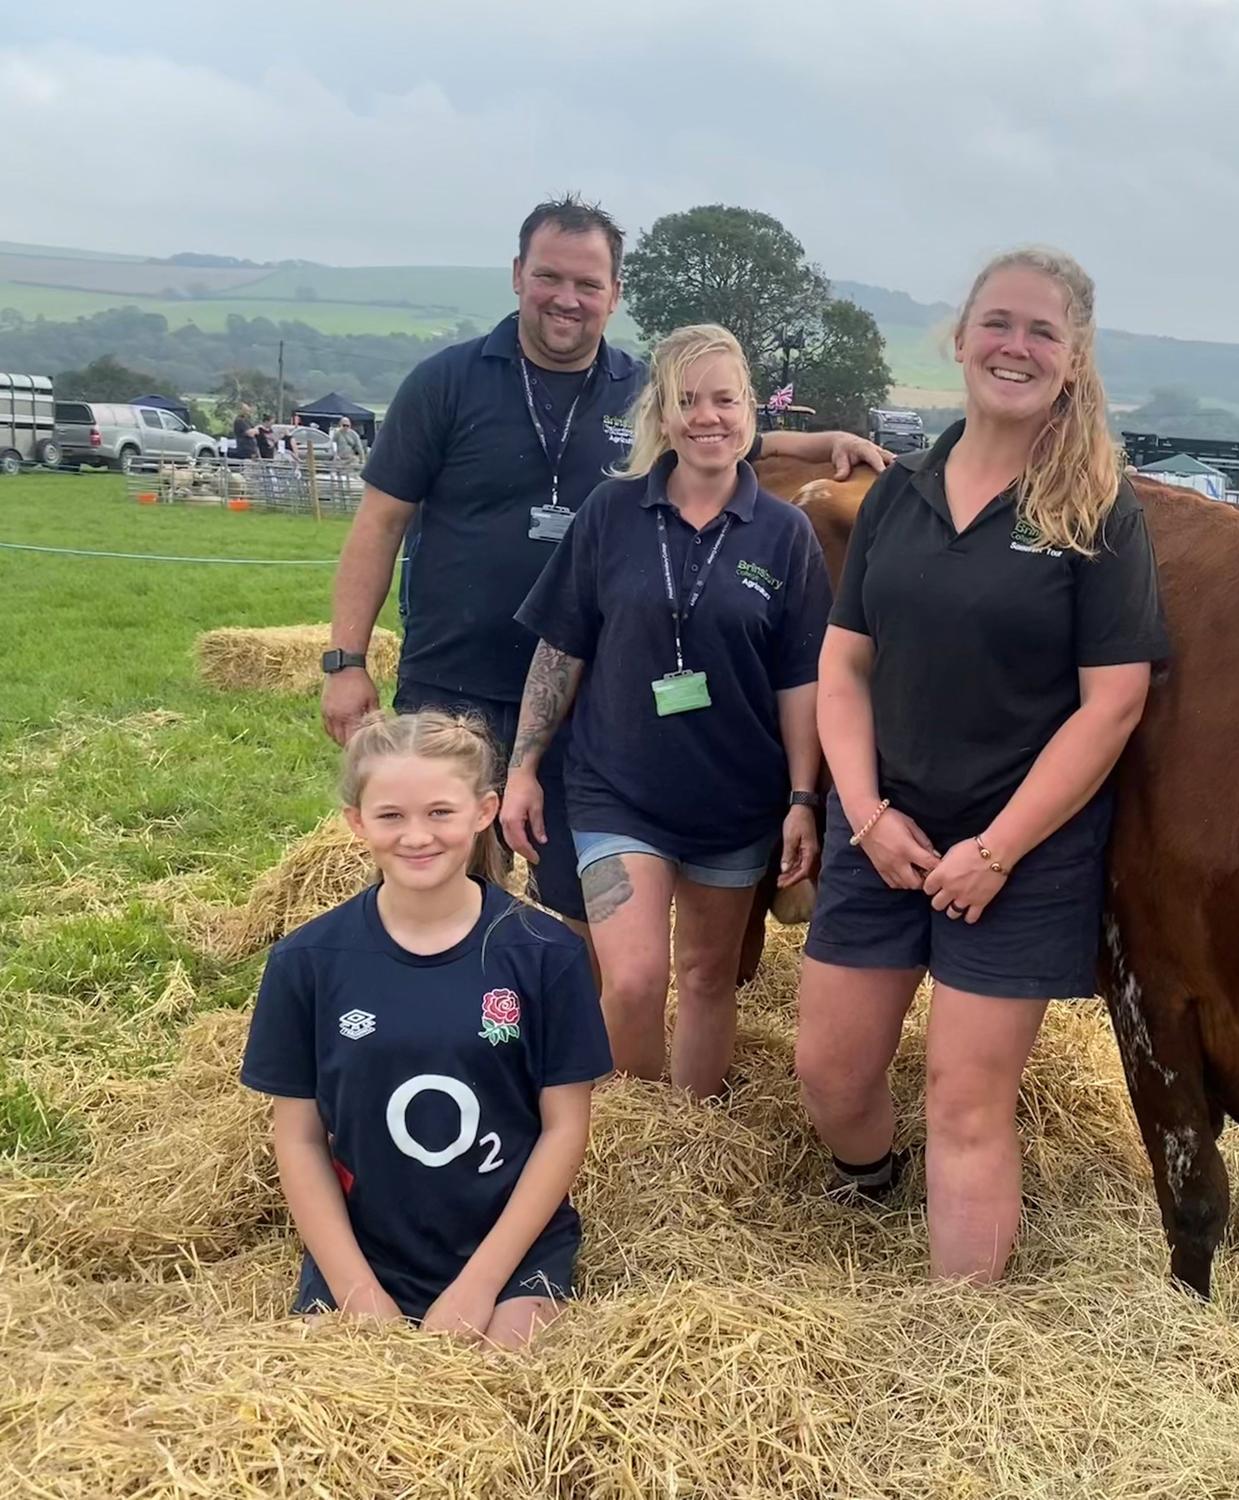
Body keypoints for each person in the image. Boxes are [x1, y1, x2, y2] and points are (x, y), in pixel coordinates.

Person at [321, 195, 885, 929]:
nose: (568, 299)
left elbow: (718, 437)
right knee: (436, 879)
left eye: (589, 285)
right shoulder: (444, 385)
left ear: (615, 296)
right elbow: (378, 523)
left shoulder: (638, 393)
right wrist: (345, 660)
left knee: (576, 908)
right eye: (551, 277)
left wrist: (820, 442)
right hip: (454, 678)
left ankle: (562, 1034)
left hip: (586, 697)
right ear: (518, 274)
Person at [792, 247, 1168, 1283]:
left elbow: (1114, 703)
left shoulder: (1098, 511)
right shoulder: (899, 497)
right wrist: (863, 815)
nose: (1015, 346)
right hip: (885, 830)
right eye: (997, 323)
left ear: (1075, 358)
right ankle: (871, 1182)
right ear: (958, 340)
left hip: (1021, 855)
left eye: (1042, 332)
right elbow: (842, 668)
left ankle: (966, 1353)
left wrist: (995, 852)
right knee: (827, 1076)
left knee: (964, 1102)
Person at [506, 325, 831, 1095]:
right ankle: (642, 1134)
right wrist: (522, 767)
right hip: (618, 788)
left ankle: (691, 1126)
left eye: (724, 398)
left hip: (737, 799)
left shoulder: (786, 536)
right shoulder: (611, 512)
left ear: (751, 409)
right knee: (634, 980)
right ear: (662, 413)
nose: (707, 417)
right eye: (688, 400)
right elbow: (560, 651)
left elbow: (802, 681)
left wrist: (801, 800)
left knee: (710, 977)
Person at [239, 711, 611, 1348]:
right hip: (367, 1251)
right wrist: (358, 1294)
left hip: (506, 1249)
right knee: (350, 1414)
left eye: (440, 812)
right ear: (357, 822)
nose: (417, 836)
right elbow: (299, 1140)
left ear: (484, 811)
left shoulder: (545, 953)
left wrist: (478, 1287)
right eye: (391, 816)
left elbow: (563, 1129)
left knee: (489, 1395)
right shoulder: (307, 962)